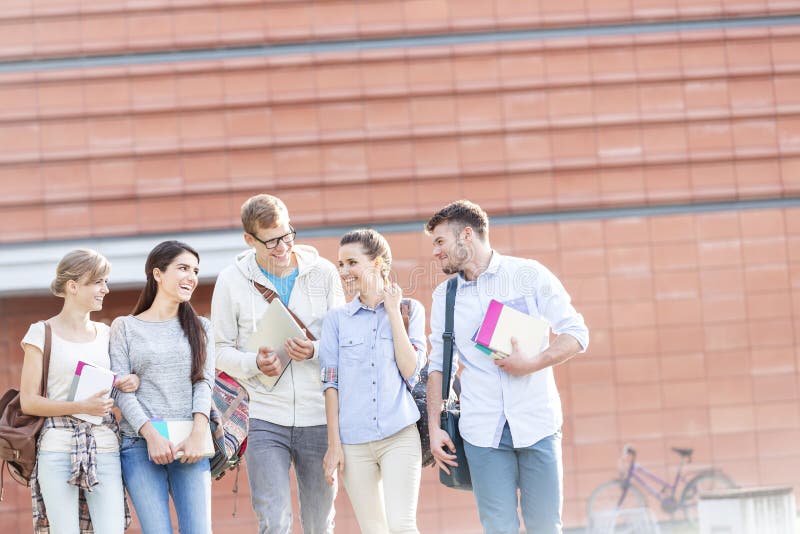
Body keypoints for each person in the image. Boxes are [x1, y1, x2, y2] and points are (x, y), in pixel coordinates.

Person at [425, 200, 589, 534]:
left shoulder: (528, 275)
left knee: (546, 526)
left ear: (466, 235)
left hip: (537, 423)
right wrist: (434, 427)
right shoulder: (446, 296)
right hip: (482, 430)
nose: (436, 252)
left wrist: (533, 363)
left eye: (440, 241)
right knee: (498, 527)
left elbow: (576, 333)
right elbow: (439, 365)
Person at [211, 194, 344, 534]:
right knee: (274, 521)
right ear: (249, 240)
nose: (282, 247)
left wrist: (314, 350)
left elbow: (344, 340)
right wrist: (254, 362)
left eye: (287, 235)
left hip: (318, 416)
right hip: (263, 417)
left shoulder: (324, 273)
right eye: (271, 242)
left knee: (319, 522)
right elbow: (219, 350)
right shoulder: (231, 280)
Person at [19, 249, 139, 533]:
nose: (105, 290)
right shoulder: (41, 333)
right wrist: (80, 407)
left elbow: (113, 384)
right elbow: (28, 401)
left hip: (105, 446)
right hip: (57, 448)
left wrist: (126, 381)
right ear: (73, 286)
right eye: (98, 282)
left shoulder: (107, 334)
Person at [319, 229, 426, 534]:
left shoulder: (409, 310)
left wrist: (392, 312)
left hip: (399, 434)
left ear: (378, 262)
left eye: (351, 262)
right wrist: (334, 445)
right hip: (354, 443)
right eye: (340, 264)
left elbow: (410, 370)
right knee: (373, 529)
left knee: (402, 525)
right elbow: (331, 385)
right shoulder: (337, 320)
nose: (344, 271)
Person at [109, 240, 215, 534]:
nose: (191, 277)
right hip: (140, 445)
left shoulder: (201, 326)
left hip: (189, 444)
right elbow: (120, 388)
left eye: (194, 270)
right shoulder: (125, 327)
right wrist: (151, 435)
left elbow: (204, 382)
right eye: (182, 268)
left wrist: (198, 433)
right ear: (157, 274)